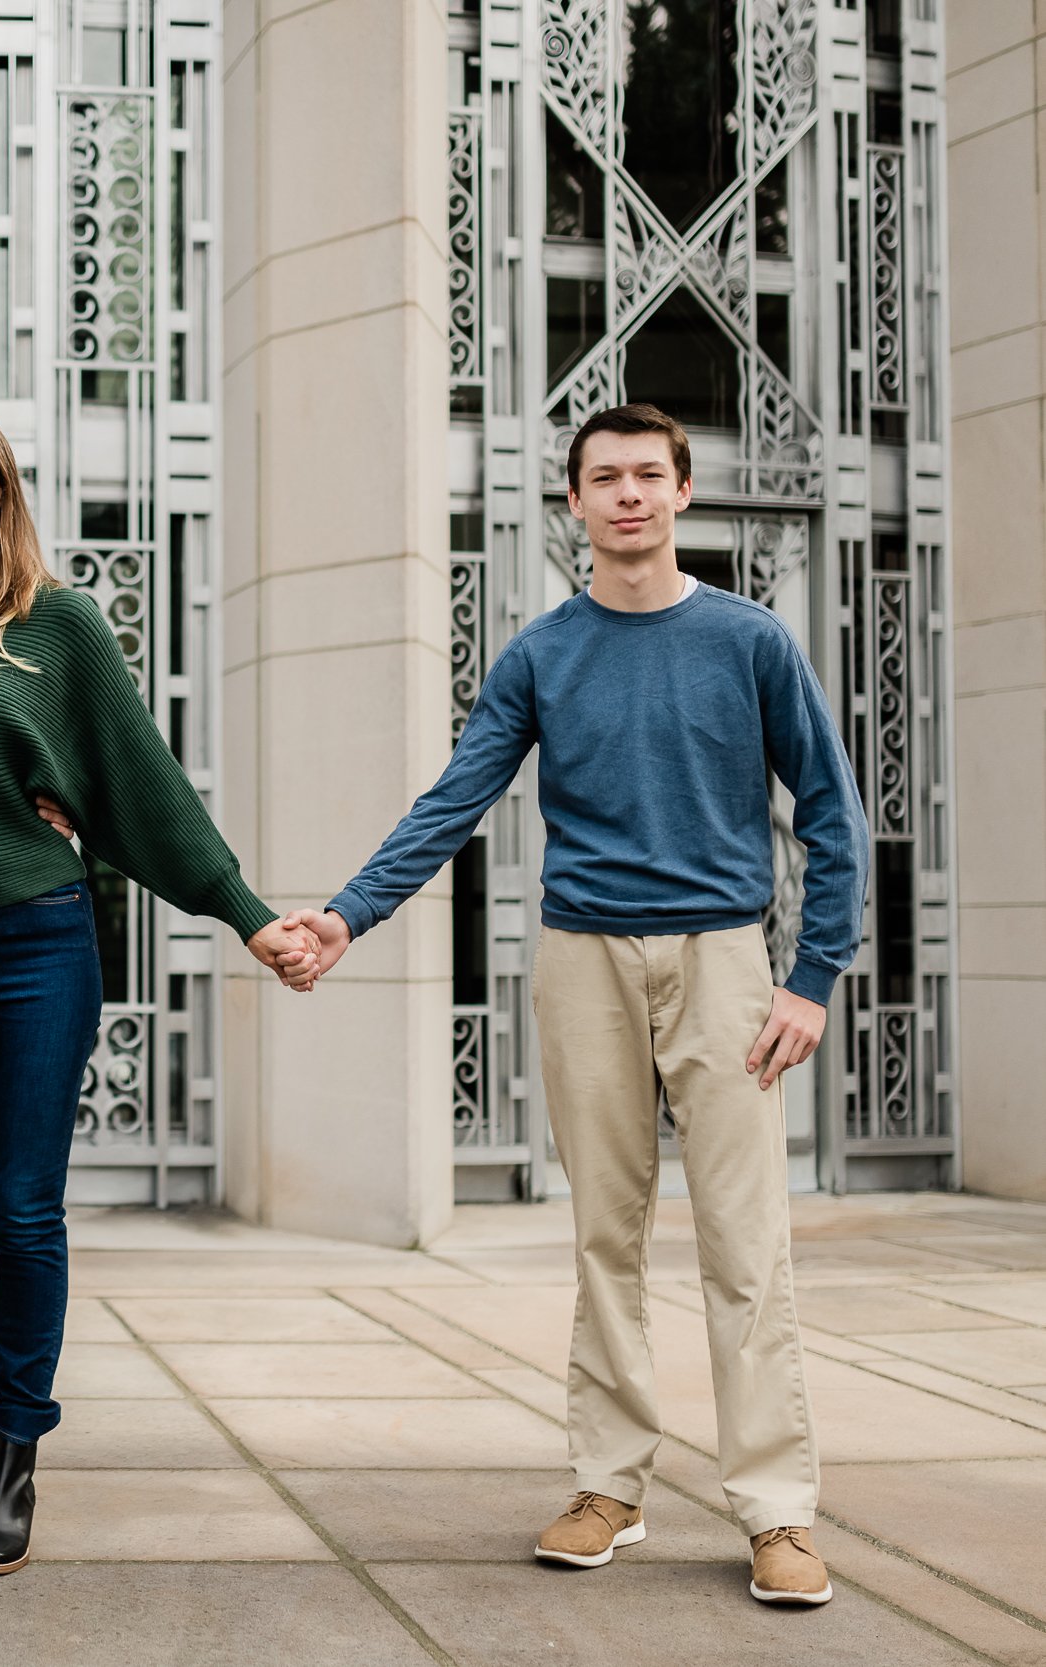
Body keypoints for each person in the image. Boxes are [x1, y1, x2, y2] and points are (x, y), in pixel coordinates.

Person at [278, 403, 868, 1607]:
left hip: (722, 963)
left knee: (744, 1244)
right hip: (581, 960)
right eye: (605, 479)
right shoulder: (542, 653)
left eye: (649, 475)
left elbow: (830, 809)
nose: (629, 496)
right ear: (576, 504)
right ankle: (610, 1482)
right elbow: (452, 799)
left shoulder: (750, 640)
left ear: (683, 493)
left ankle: (775, 1508)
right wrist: (346, 913)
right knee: (606, 1236)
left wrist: (811, 974)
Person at [0, 403, 318, 1610]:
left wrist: (246, 912)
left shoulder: (62, 623)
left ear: (4, 488)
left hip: (41, 944)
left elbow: (139, 779)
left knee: (23, 1215)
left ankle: (13, 1463)